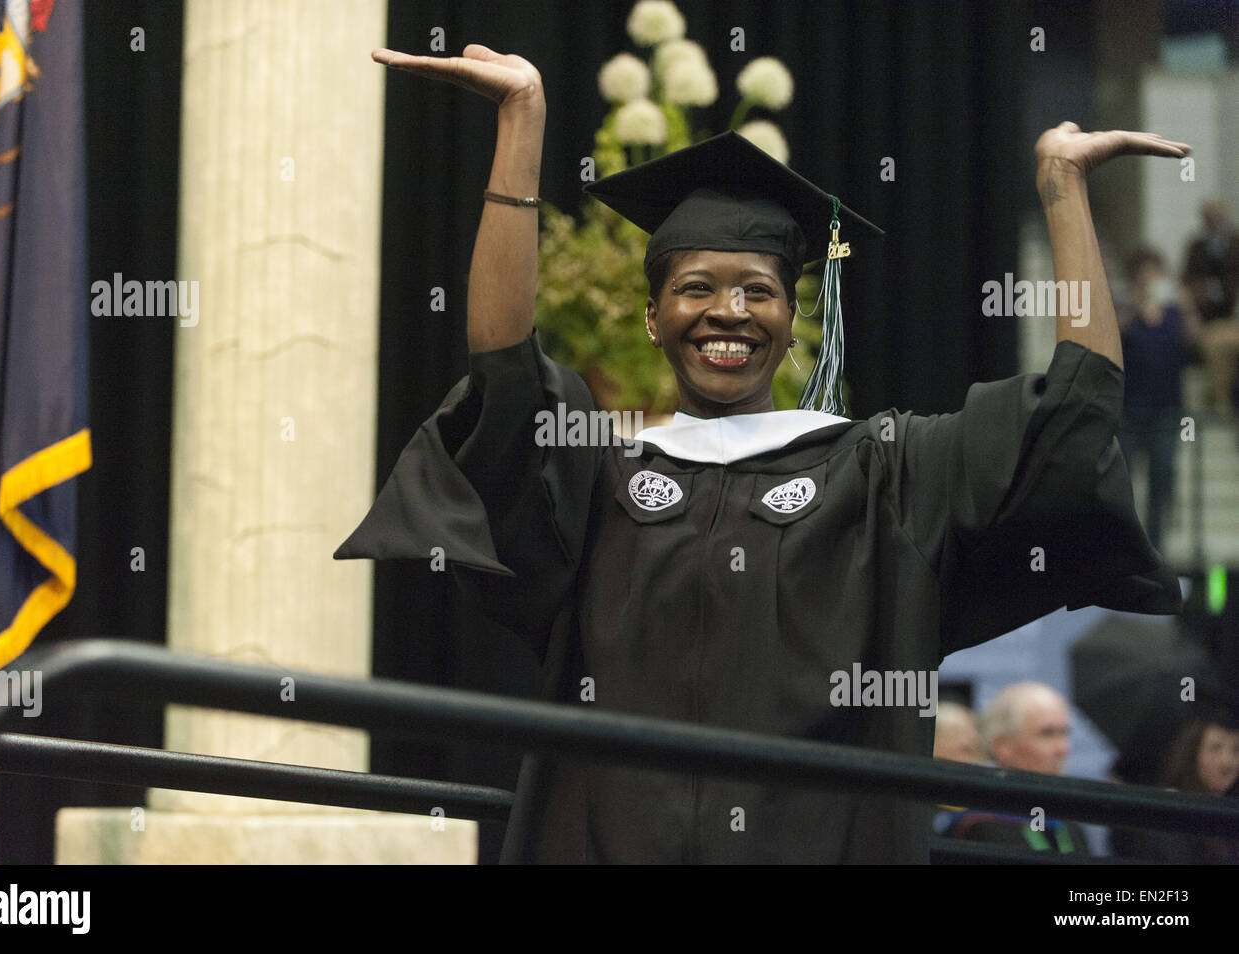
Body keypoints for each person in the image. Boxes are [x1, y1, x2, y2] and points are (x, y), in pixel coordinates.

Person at [337, 44, 1185, 863]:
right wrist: (523, 124)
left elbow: (1072, 420)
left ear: (792, 320)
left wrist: (1062, 188)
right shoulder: (600, 478)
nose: (729, 311)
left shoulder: (884, 473)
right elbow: (504, 375)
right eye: (696, 287)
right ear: (651, 317)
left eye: (759, 290)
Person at [943, 683, 1088, 855]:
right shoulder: (979, 825)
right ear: (1002, 746)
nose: (1062, 748)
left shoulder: (1069, 823)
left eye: (1064, 733)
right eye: (1047, 733)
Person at [1116, 248, 1197, 551]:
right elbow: (1114, 336)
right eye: (1145, 273)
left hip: (1166, 411)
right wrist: (1136, 304)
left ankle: (1155, 550)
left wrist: (1187, 306)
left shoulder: (1175, 313)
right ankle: (1125, 547)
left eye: (1156, 273)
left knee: (1161, 482)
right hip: (1131, 411)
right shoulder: (1126, 310)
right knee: (1123, 486)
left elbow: (1193, 341)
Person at [1112, 716, 1239, 863]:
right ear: (1192, 755)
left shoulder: (1228, 809)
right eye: (1215, 748)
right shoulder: (1171, 813)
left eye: (1236, 750)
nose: (1227, 762)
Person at [1183, 200, 1239, 416]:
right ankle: (1222, 402)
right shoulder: (1197, 247)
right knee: (1214, 344)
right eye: (1209, 219)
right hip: (1208, 318)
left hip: (1231, 315)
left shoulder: (1234, 244)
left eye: (1217, 218)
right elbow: (1186, 281)